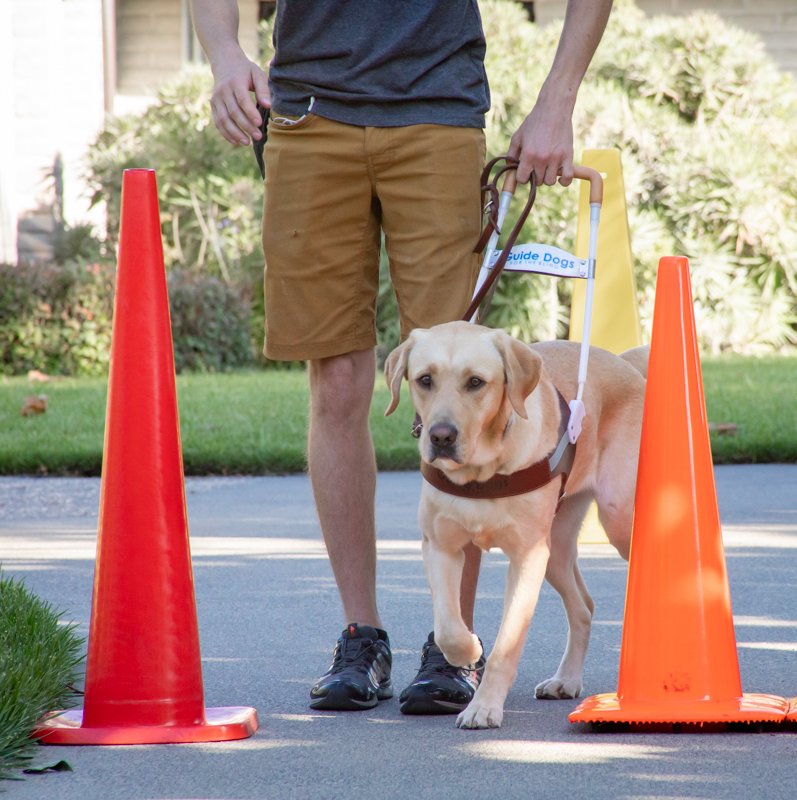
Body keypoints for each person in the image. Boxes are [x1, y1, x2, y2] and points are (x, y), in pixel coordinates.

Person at [191, 0, 612, 714]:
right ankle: (362, 638)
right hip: (307, 115)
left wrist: (557, 100)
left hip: (438, 115)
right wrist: (225, 54)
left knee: (464, 381)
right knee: (337, 381)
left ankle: (454, 652)